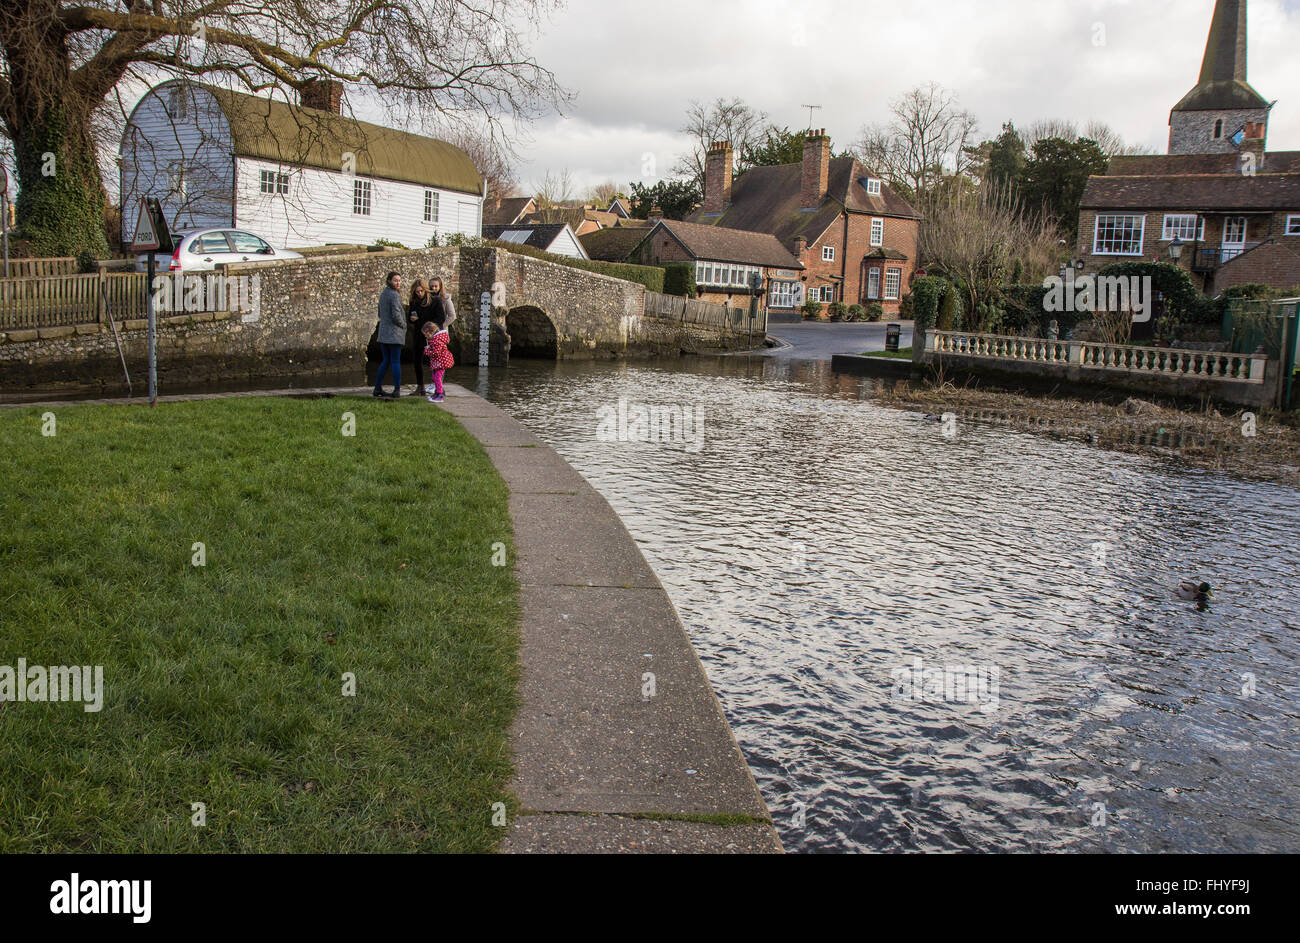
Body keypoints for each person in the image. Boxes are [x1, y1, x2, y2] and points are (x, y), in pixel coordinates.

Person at [374, 271, 406, 398]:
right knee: (395, 362)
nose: (398, 283)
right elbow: (396, 315)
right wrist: (404, 325)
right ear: (389, 281)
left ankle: (377, 388)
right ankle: (397, 389)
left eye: (399, 280)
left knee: (385, 361)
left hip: (383, 333)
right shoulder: (394, 295)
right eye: (395, 280)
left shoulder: (383, 294)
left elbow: (380, 314)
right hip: (394, 334)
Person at [406, 278, 438, 394]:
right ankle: (420, 387)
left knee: (433, 361)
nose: (419, 294)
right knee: (417, 361)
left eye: (421, 291)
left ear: (425, 290)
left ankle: (437, 386)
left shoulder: (435, 301)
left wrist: (430, 327)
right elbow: (410, 316)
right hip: (419, 334)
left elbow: (440, 318)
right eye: (417, 292)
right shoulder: (414, 302)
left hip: (431, 336)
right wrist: (412, 319)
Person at [423, 309, 456, 403]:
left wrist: (427, 351)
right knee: (435, 377)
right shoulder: (435, 340)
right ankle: (437, 393)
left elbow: (436, 353)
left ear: (431, 332)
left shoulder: (437, 341)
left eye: (426, 335)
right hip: (439, 361)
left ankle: (440, 394)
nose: (426, 337)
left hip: (441, 362)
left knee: (437, 377)